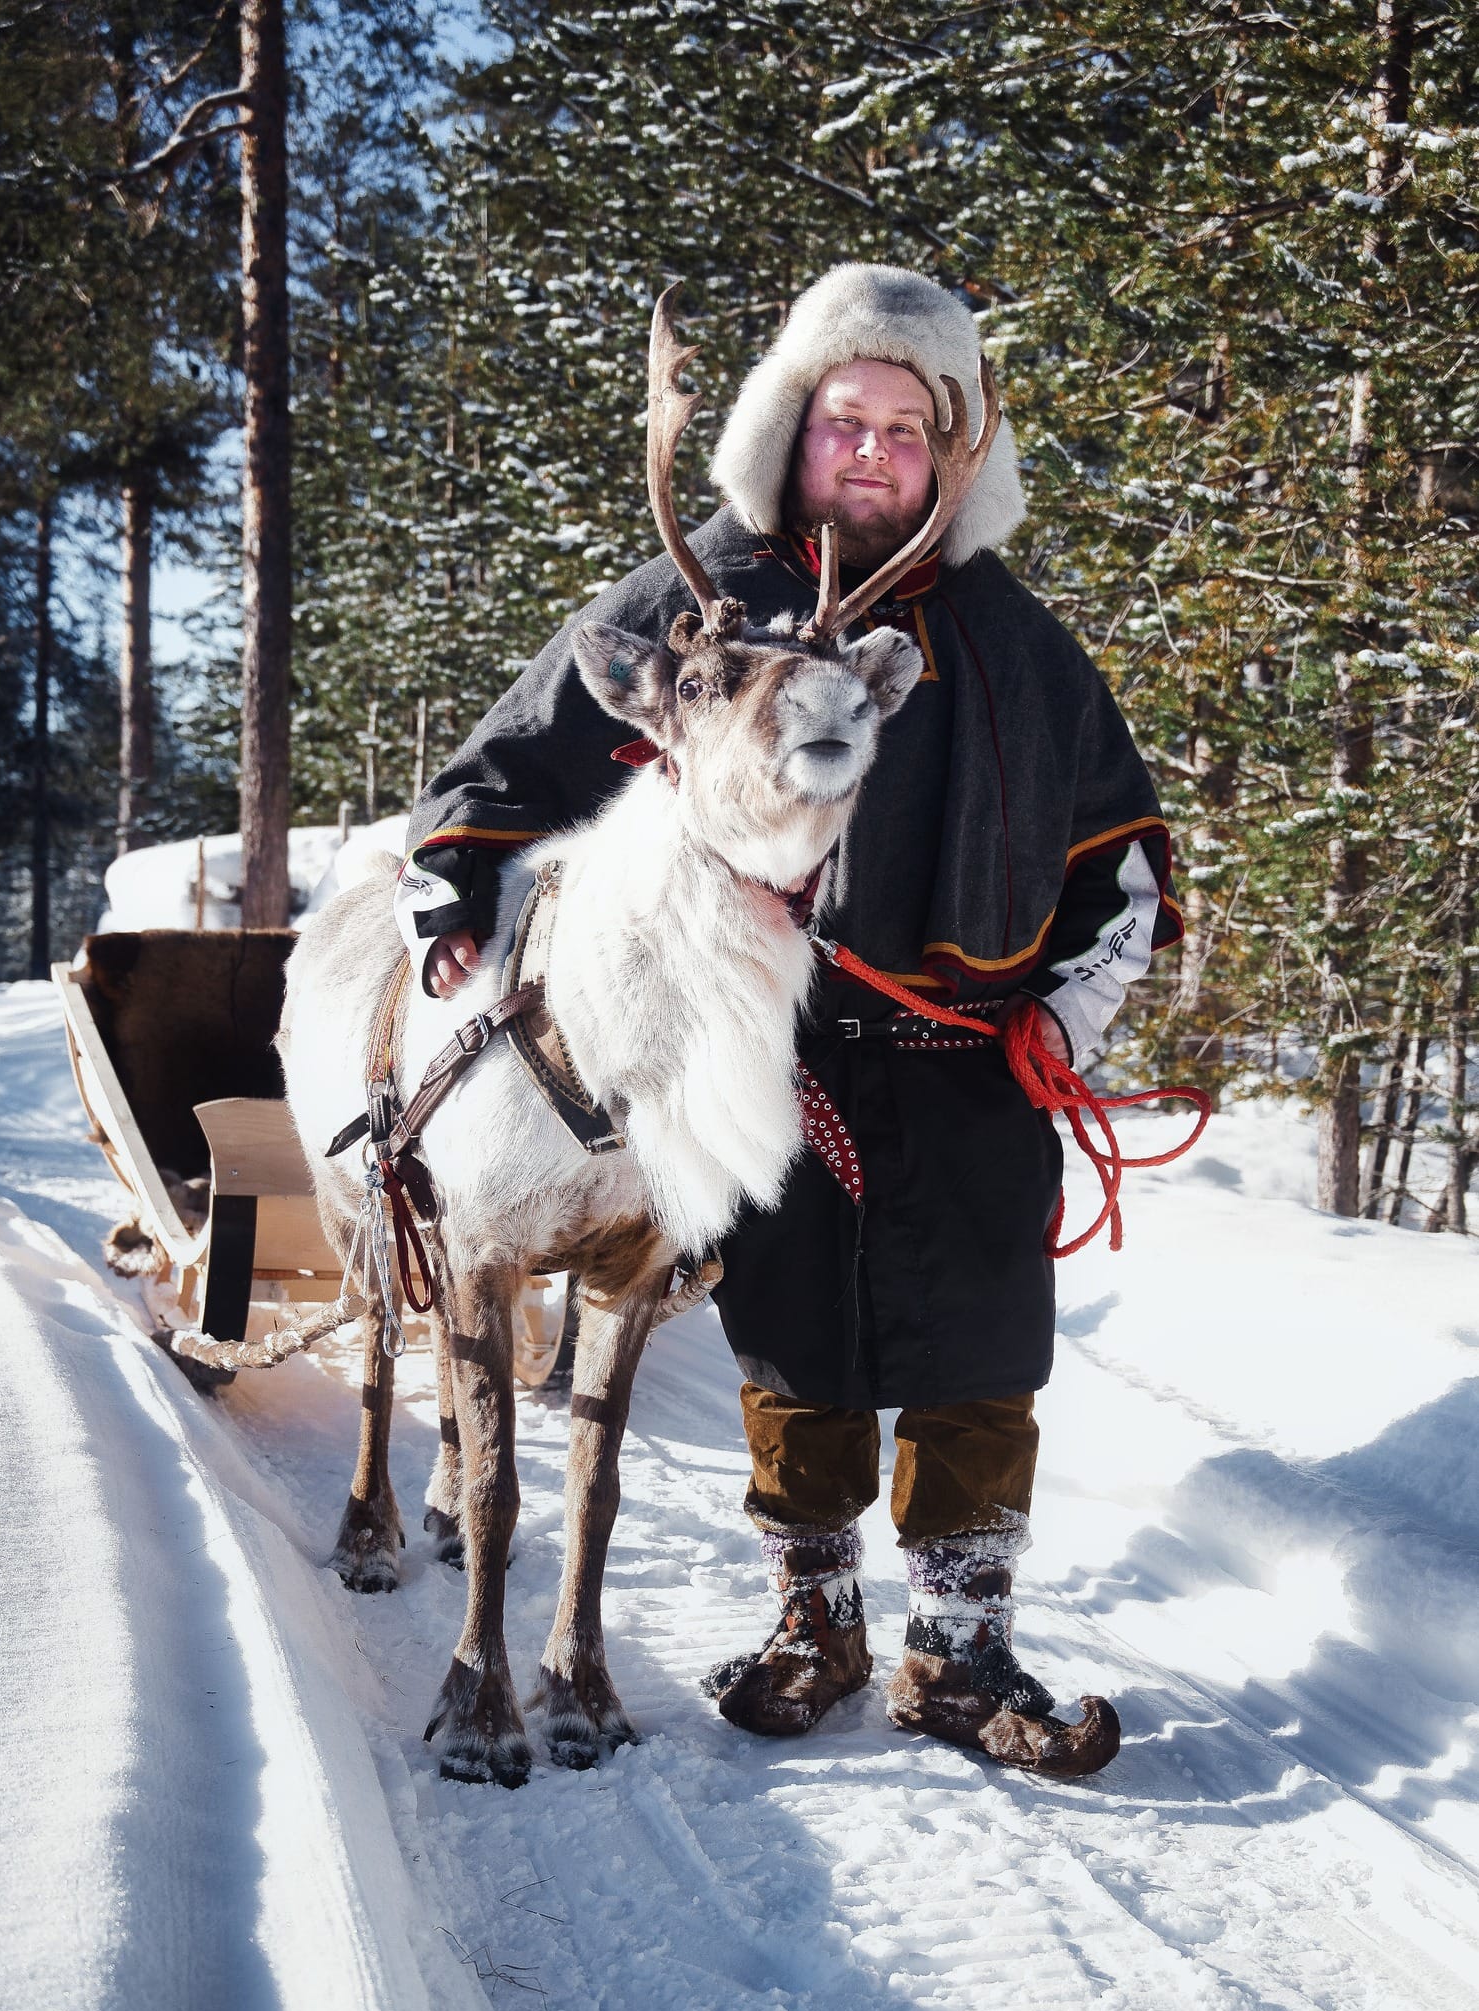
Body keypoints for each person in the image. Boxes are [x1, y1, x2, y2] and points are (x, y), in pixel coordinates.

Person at [396, 264, 1182, 1777]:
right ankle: (813, 1618)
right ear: (789, 432)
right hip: (758, 1061)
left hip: (975, 1054)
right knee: (790, 1336)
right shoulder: (697, 601)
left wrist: (1069, 1019)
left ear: (953, 453)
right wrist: (455, 905)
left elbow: (1118, 854)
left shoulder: (1015, 641)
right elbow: (505, 773)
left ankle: (956, 1647)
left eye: (908, 426)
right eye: (846, 422)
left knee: (979, 1346)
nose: (875, 453)